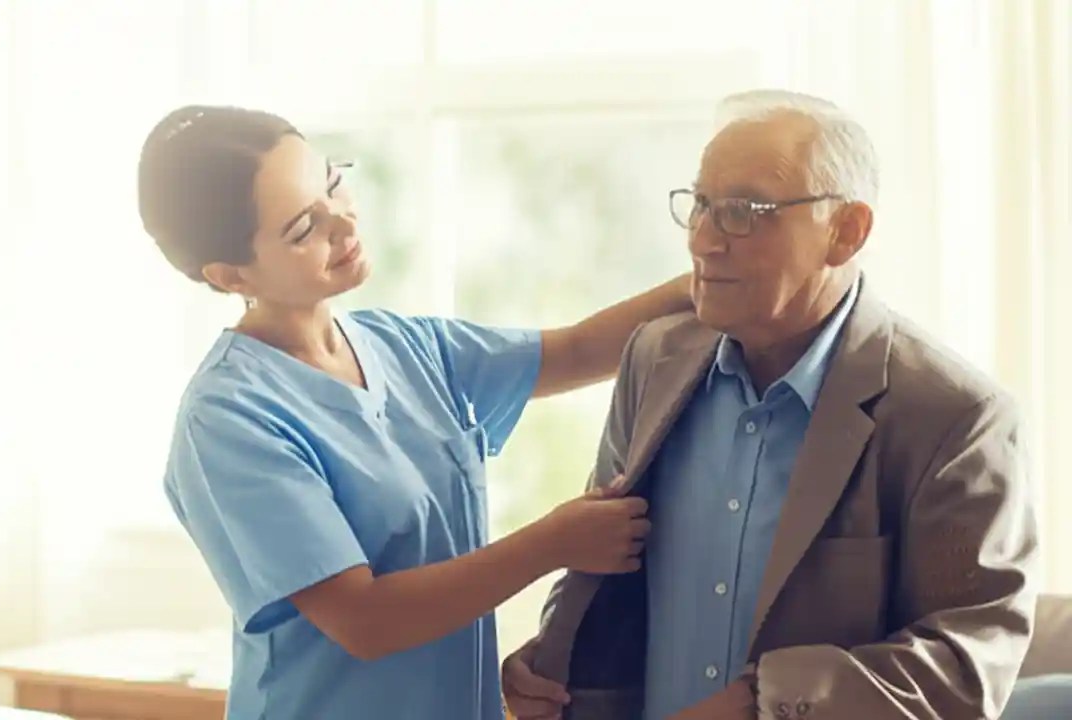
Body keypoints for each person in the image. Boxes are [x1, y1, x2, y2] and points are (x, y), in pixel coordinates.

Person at [136, 105, 692, 720]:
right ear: (228, 273)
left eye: (332, 183)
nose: (343, 226)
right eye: (302, 228)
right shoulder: (229, 418)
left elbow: (579, 348)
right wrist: (553, 543)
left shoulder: (407, 348)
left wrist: (716, 277)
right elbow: (365, 620)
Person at [501, 90, 1041, 720]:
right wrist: (553, 660)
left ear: (847, 231)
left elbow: (966, 667)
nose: (702, 242)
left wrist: (764, 703)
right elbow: (603, 565)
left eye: (743, 212)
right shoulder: (653, 359)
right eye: (701, 205)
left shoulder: (956, 417)